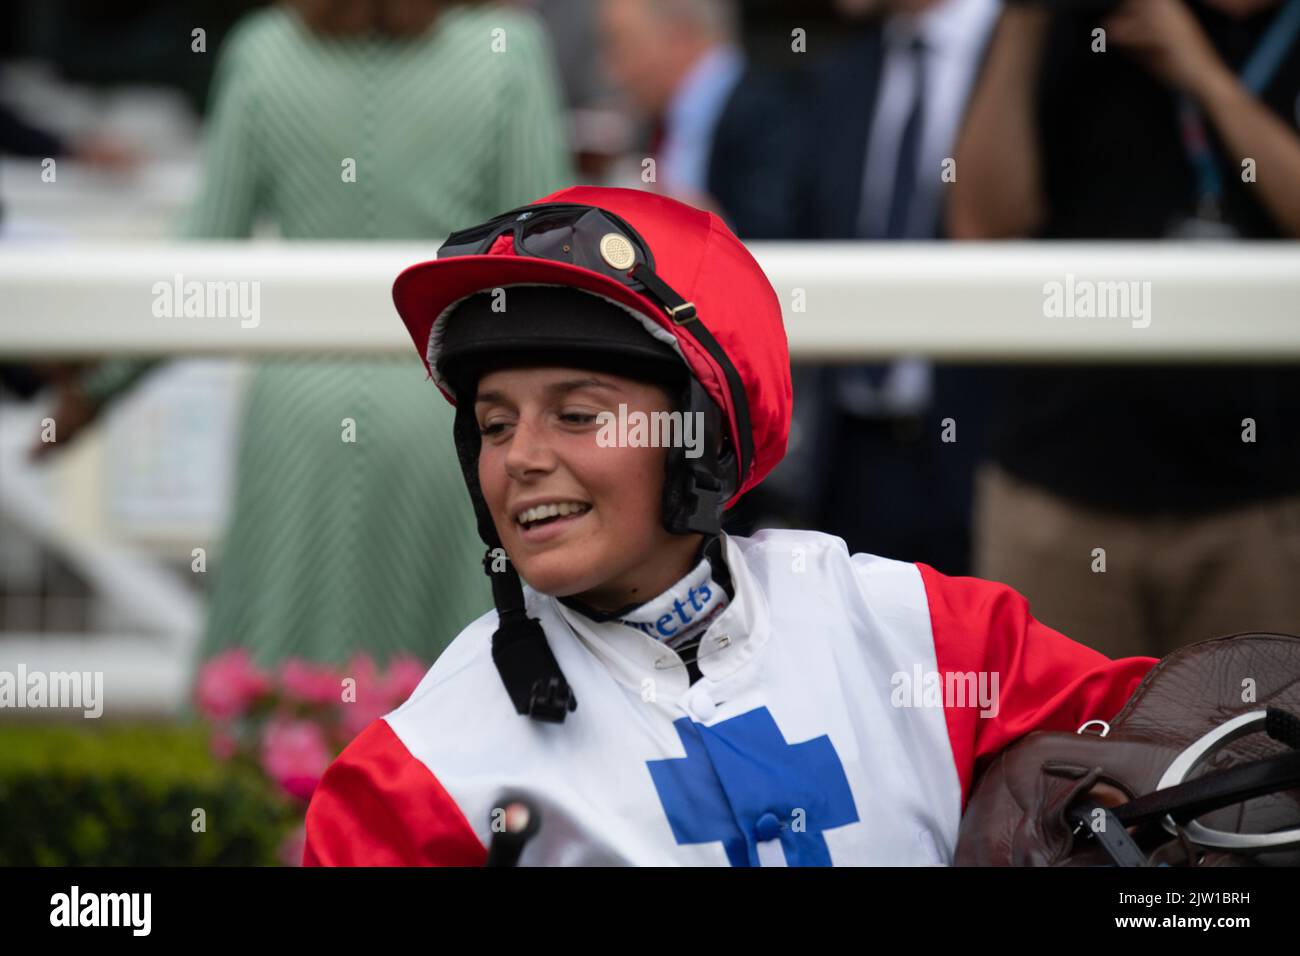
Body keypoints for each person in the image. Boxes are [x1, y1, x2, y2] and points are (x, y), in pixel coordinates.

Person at [302, 185, 1157, 867]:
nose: (519, 458)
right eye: (494, 425)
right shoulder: (410, 783)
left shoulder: (933, 638)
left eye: (575, 415)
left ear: (700, 438)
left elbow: (1203, 756)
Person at [33, 0, 575, 669]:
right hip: (445, 407)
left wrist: (99, 385)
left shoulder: (265, 50)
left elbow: (202, 258)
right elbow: (539, 254)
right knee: (446, 710)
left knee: (277, 706)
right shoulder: (506, 51)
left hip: (296, 413)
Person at [948, 0, 1300, 658]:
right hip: (1060, 492)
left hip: (1263, 505)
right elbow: (982, 222)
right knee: (1053, 752)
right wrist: (1023, 25)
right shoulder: (1070, 22)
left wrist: (1201, 73)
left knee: (1257, 753)